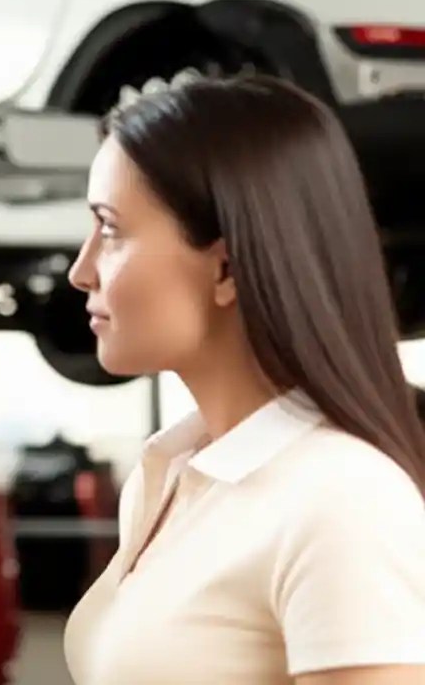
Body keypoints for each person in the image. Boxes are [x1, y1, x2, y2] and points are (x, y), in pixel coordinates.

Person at [62, 73, 425, 685]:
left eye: (112, 229)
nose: (81, 269)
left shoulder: (341, 500)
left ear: (227, 267)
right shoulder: (170, 472)